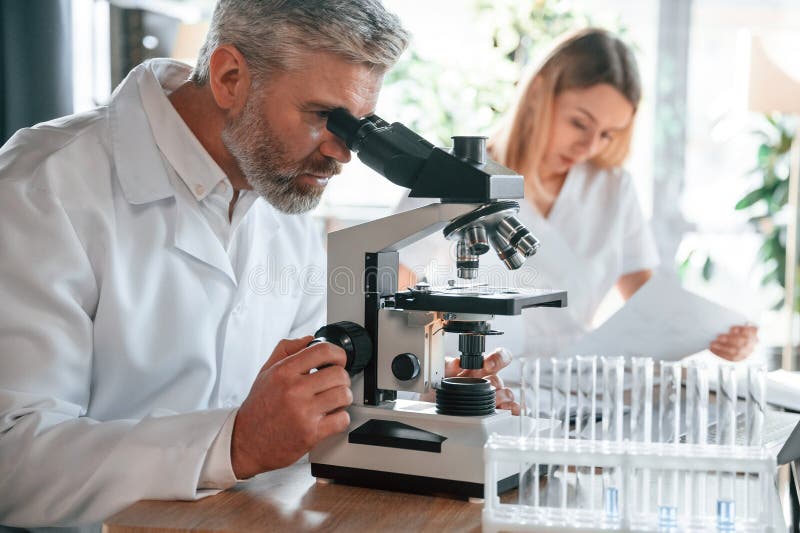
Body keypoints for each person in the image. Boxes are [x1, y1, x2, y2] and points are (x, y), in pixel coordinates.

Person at [0, 1, 515, 529]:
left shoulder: (277, 192)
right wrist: (235, 443)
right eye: (323, 116)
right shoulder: (44, 185)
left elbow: (320, 367)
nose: (342, 153)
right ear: (229, 78)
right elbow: (11, 458)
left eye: (358, 126)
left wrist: (424, 388)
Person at [397, 28, 757, 367]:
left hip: (573, 382)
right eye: (580, 124)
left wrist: (721, 335)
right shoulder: (456, 176)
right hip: (473, 374)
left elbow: (651, 305)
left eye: (607, 134)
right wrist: (432, 362)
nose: (589, 146)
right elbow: (394, 284)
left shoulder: (613, 189)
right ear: (538, 94)